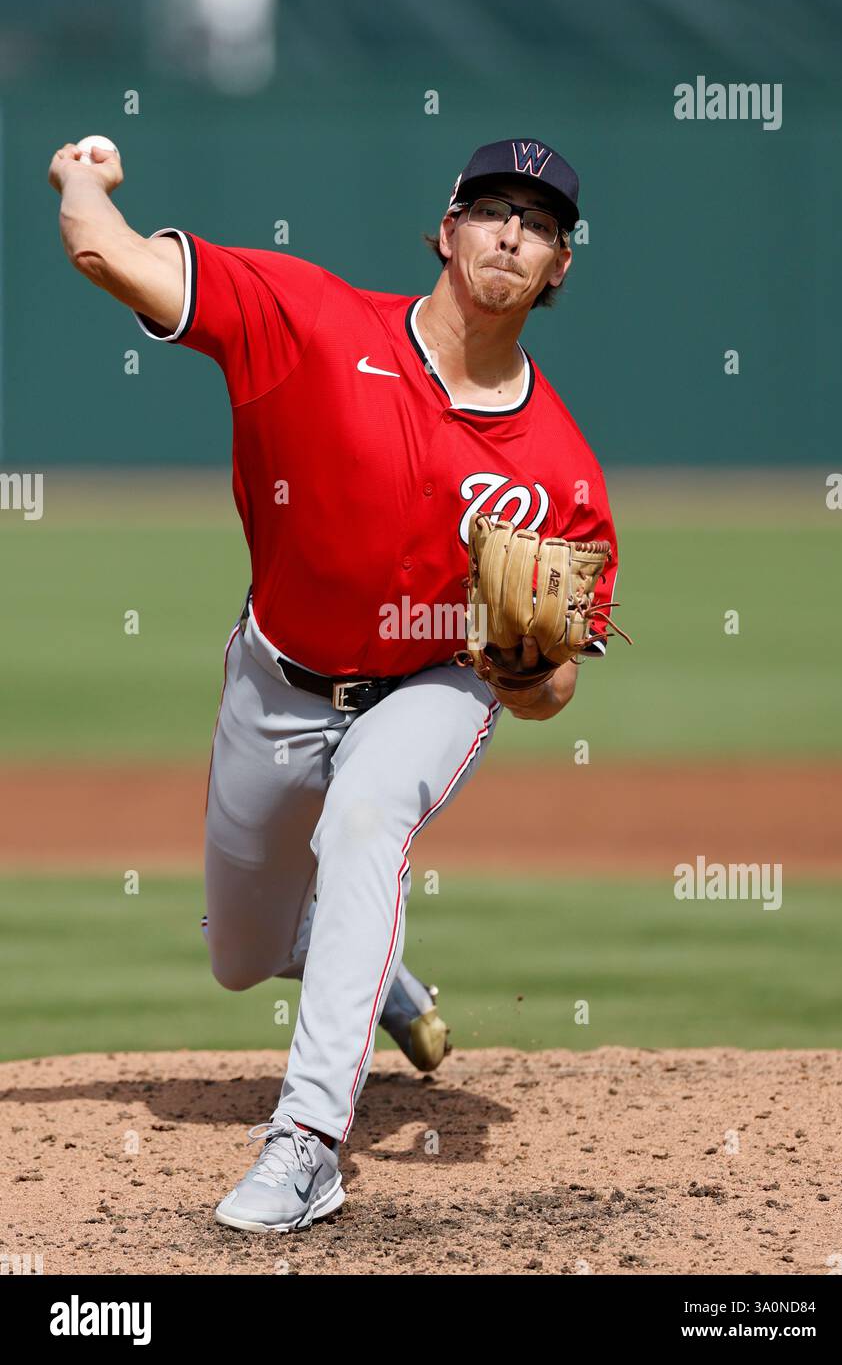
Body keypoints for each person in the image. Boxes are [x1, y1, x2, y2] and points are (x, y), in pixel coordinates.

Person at [49, 136, 620, 1233]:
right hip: (275, 677)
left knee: (366, 815)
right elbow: (104, 255)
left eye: (540, 223)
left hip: (431, 686)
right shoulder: (305, 320)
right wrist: (82, 180)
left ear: (558, 269)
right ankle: (369, 971)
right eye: (492, 209)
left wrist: (526, 671)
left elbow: (551, 695)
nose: (512, 233)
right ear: (444, 231)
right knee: (239, 956)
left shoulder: (561, 472)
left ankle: (306, 1146)